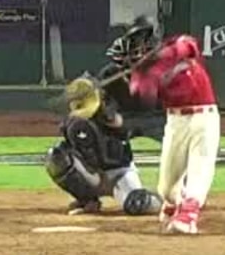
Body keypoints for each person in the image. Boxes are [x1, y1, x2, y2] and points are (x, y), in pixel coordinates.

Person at [128, 28, 220, 235]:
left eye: (141, 48)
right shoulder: (140, 74)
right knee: (166, 188)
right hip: (175, 121)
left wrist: (164, 59)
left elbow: (190, 45)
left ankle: (189, 215)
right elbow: (146, 96)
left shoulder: (176, 45)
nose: (138, 53)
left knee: (200, 166)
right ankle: (176, 204)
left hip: (204, 116)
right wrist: (147, 78)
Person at [44, 76, 162, 217]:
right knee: (56, 157)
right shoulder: (74, 123)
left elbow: (110, 157)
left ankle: (165, 200)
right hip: (94, 174)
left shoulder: (112, 115)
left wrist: (115, 124)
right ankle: (88, 201)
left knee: (138, 204)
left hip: (119, 174)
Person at [100, 16, 165, 141]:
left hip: (156, 122)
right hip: (125, 121)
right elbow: (103, 102)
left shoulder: (160, 70)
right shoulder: (111, 72)